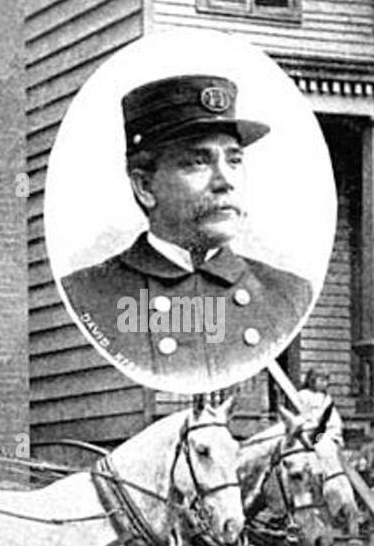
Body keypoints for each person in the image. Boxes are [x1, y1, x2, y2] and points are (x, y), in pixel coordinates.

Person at [60, 75, 313, 383]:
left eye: (234, 161)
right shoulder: (84, 295)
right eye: (197, 162)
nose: (225, 181)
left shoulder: (288, 295)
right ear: (144, 186)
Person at [295, 369, 344, 446]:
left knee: (327, 439)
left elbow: (332, 417)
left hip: (325, 429)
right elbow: (304, 414)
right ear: (312, 380)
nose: (324, 383)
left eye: (326, 380)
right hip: (311, 429)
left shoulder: (327, 398)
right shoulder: (303, 395)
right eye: (321, 380)